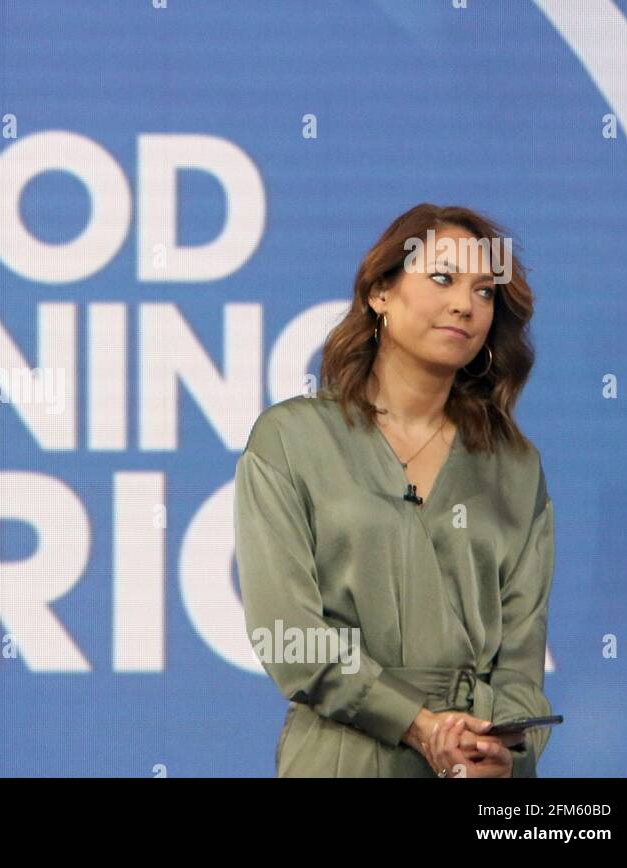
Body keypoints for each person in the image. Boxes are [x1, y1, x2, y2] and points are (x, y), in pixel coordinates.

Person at [234, 203, 555, 777]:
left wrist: (504, 751)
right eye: (442, 278)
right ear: (380, 293)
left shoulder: (515, 464)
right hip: (342, 754)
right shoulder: (291, 439)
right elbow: (288, 636)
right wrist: (417, 723)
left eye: (485, 291)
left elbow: (521, 665)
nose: (465, 303)